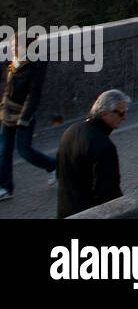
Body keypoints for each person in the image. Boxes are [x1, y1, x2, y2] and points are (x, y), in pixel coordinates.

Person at [0, 33, 57, 201]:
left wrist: (24, 118)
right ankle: (5, 188)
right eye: (11, 46)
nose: (12, 49)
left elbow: (34, 95)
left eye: (15, 46)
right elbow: (8, 89)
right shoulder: (14, 62)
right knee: (3, 150)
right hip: (8, 112)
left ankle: (54, 165)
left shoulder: (36, 65)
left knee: (25, 151)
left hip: (24, 114)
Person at [56, 89, 128, 219]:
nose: (124, 118)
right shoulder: (103, 145)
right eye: (121, 113)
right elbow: (108, 193)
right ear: (105, 113)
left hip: (64, 212)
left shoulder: (70, 131)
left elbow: (59, 174)